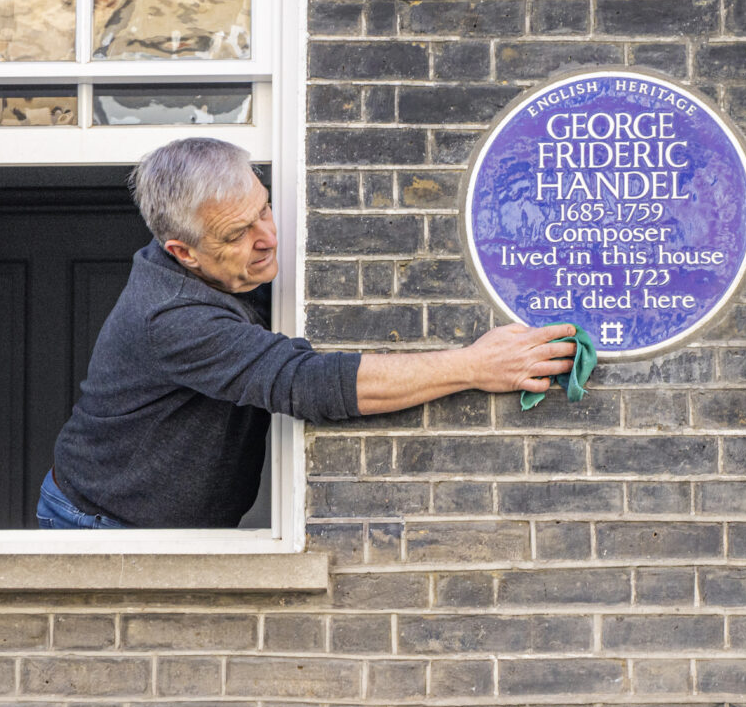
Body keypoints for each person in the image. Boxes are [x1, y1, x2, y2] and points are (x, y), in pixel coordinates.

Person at [39, 136, 576, 529]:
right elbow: (307, 383)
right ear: (183, 252)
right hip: (101, 522)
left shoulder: (230, 264)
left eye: (264, 207)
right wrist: (475, 367)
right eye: (238, 233)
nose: (269, 237)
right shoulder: (172, 317)